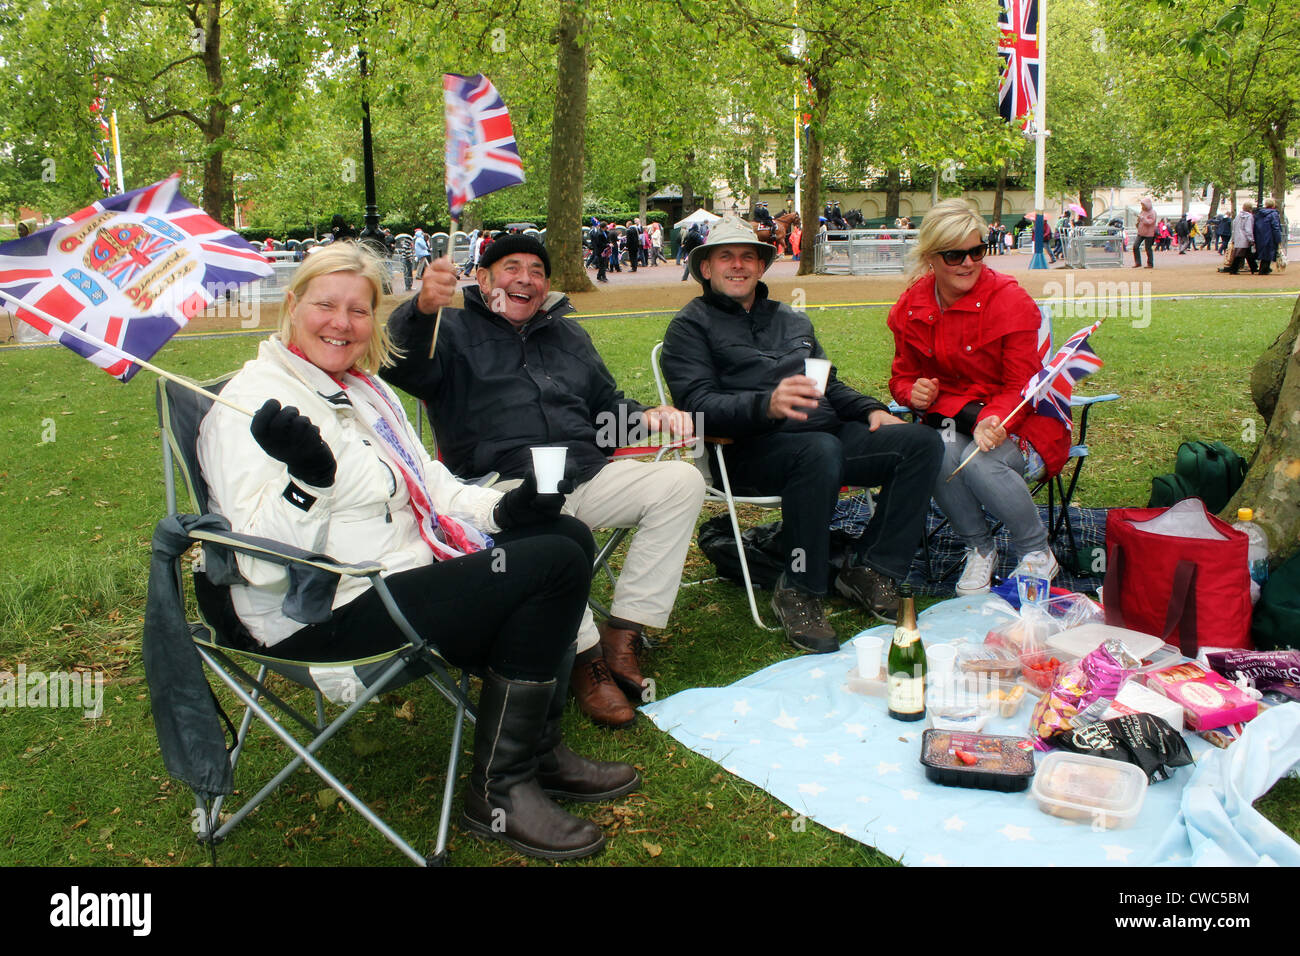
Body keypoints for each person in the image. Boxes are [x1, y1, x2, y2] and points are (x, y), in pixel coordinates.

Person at [196, 243, 637, 861]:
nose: (342, 323)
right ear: (293, 306)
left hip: (408, 571)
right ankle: (499, 791)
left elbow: (428, 481)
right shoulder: (250, 406)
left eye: (359, 310)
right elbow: (261, 565)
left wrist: (502, 511)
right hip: (323, 610)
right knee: (553, 565)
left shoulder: (363, 389)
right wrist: (306, 485)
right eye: (326, 305)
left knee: (561, 535)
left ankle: (538, 750)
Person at [381, 236, 705, 728]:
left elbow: (605, 412)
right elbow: (399, 364)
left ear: (547, 285)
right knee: (554, 519)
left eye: (536, 270)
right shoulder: (450, 330)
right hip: (502, 484)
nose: (525, 279)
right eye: (511, 268)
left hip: (587, 470)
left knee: (680, 480)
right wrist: (421, 310)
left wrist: (648, 416)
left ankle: (624, 633)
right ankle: (586, 660)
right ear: (484, 278)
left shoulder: (569, 336)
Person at [661, 220, 943, 654]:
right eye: (725, 257)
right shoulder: (690, 328)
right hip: (746, 452)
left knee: (920, 443)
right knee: (819, 450)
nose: (738, 265)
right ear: (705, 269)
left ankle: (870, 568)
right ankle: (799, 587)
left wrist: (871, 409)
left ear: (760, 266)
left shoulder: (790, 319)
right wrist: (766, 405)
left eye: (748, 256)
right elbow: (697, 406)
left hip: (824, 438)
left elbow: (827, 383)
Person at [887, 199, 1070, 595]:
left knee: (982, 462)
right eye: (954, 255)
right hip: (955, 420)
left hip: (1026, 420)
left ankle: (1037, 551)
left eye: (976, 251)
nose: (968, 263)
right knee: (934, 451)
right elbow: (902, 378)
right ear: (931, 258)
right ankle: (979, 549)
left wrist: (997, 419)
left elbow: (1021, 386)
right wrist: (913, 392)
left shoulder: (1010, 302)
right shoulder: (910, 307)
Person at [1254, 198, 1283, 275]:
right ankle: (1264, 269)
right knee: (1269, 252)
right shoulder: (1274, 214)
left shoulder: (1259, 214)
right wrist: (1278, 239)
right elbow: (1275, 227)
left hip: (1260, 235)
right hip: (1270, 236)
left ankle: (1264, 268)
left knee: (1264, 252)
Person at [1226, 203, 1257, 275]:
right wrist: (1251, 239)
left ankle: (1254, 267)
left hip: (1238, 238)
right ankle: (1234, 269)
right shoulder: (1249, 217)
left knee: (1246, 254)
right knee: (1241, 255)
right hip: (1245, 238)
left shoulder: (1237, 216)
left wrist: (1233, 239)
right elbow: (1248, 229)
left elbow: (1233, 228)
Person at [1133, 199, 1156, 268]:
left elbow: (1150, 222)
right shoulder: (1142, 211)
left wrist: (1142, 218)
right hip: (1141, 232)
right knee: (1135, 246)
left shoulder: (1152, 212)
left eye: (1143, 205)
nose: (1142, 206)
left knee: (1148, 248)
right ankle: (1138, 262)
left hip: (1149, 233)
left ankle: (1150, 264)